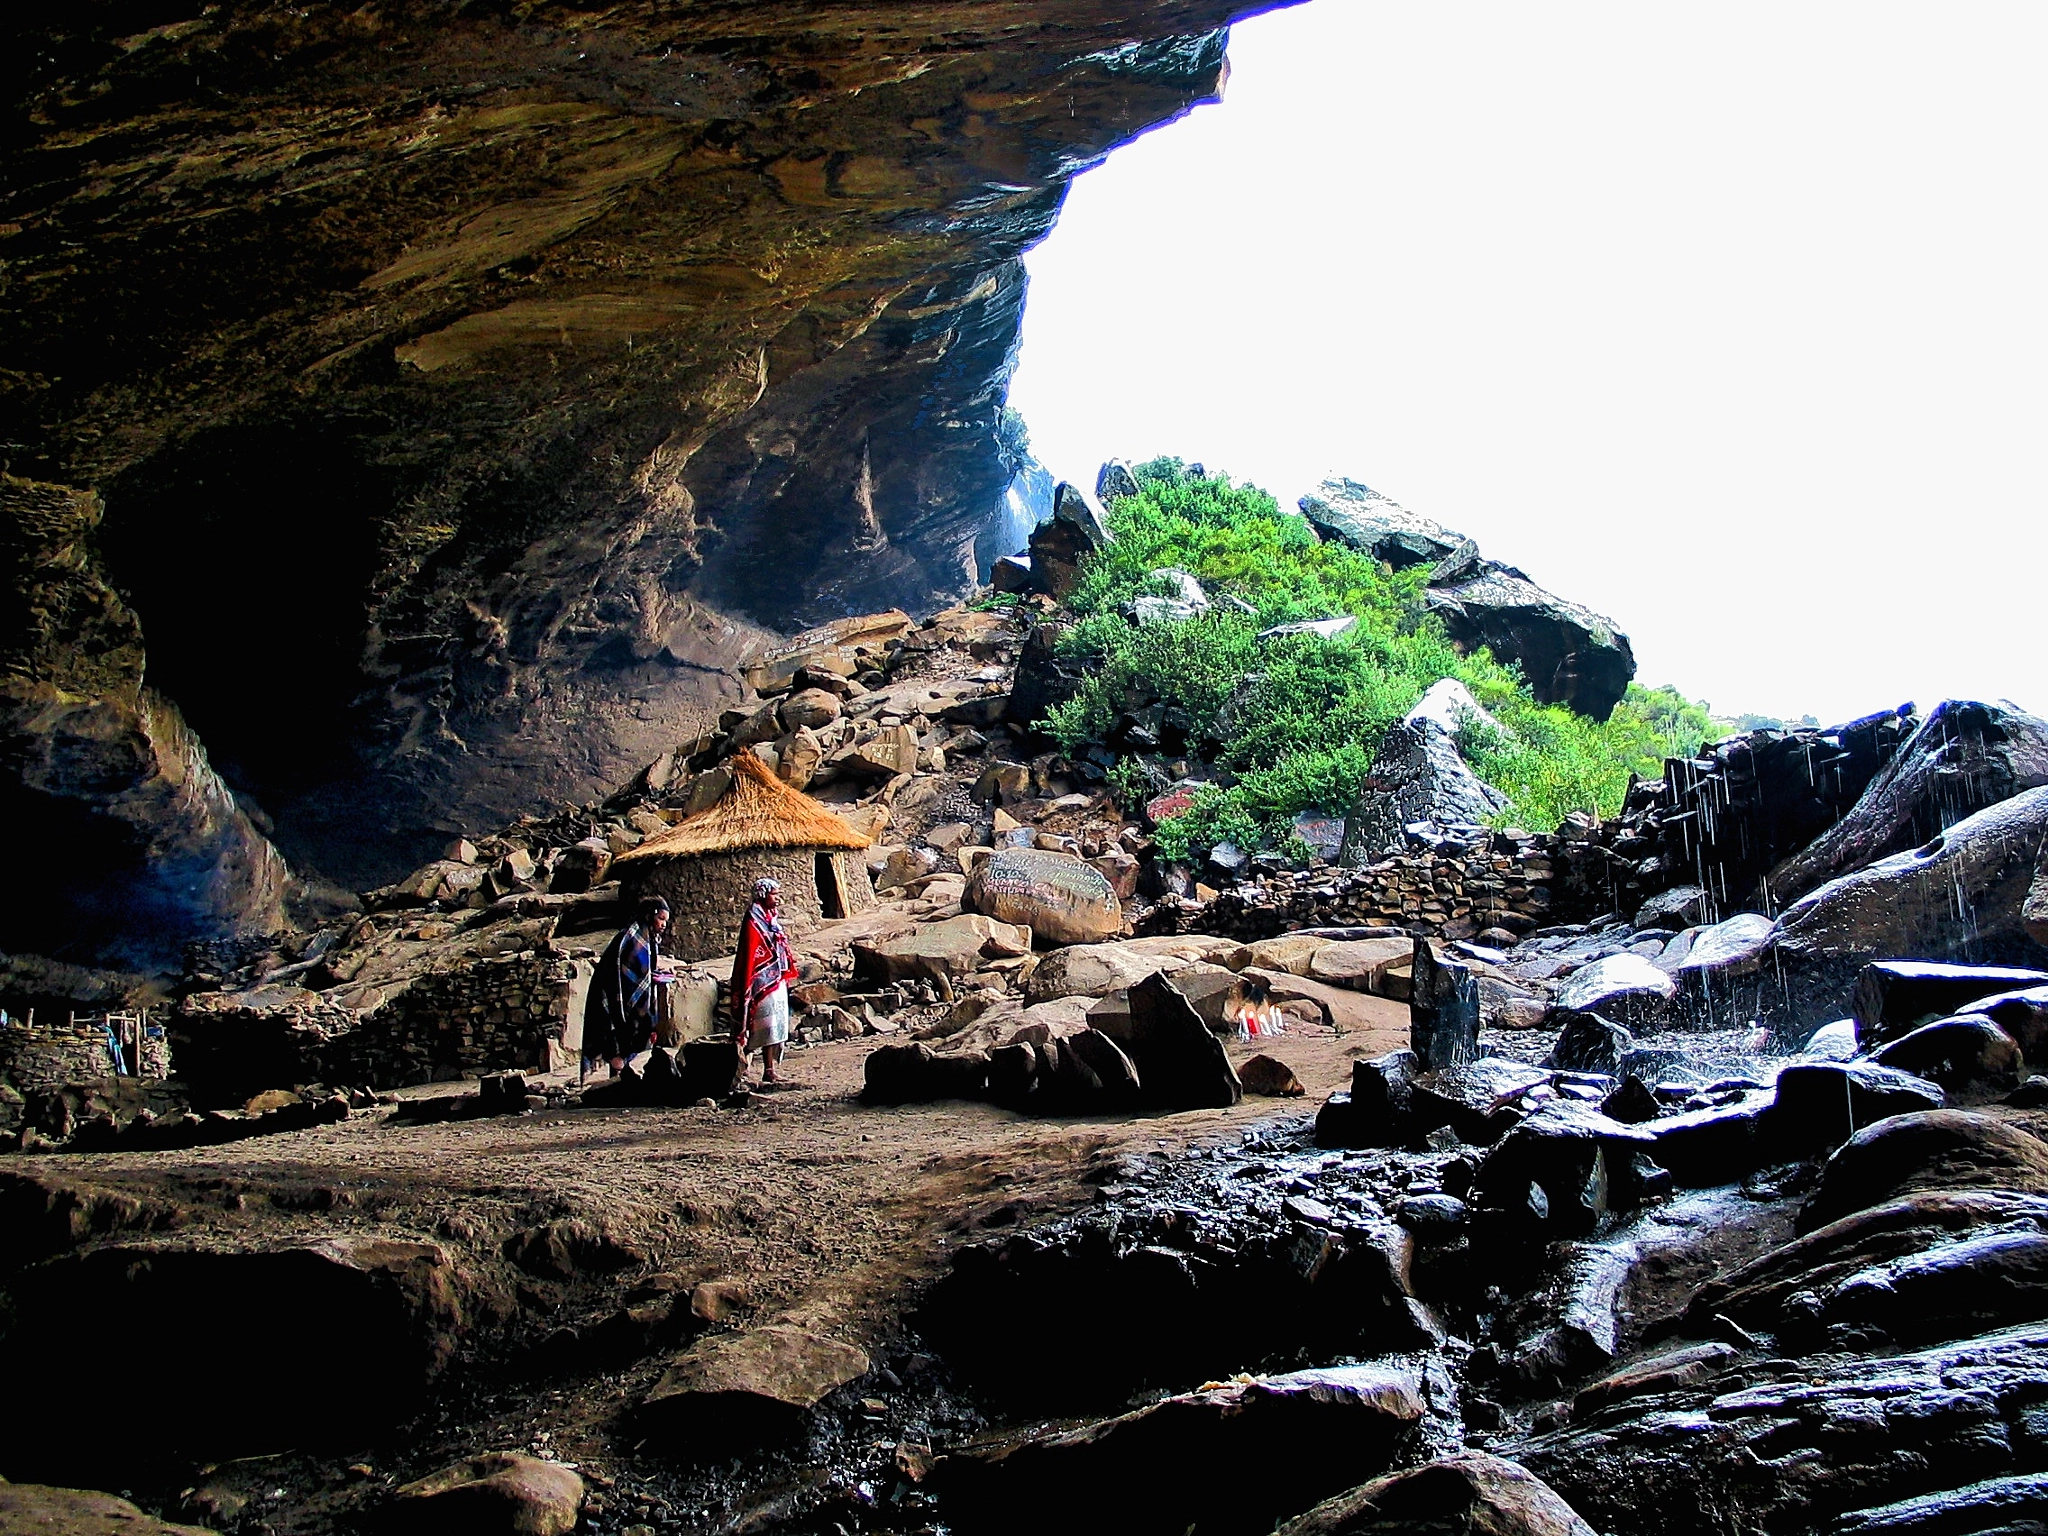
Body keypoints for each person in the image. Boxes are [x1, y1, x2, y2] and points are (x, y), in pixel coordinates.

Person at [583, 897, 669, 1080]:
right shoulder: (632, 938)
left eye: (666, 921)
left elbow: (643, 972)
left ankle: (618, 1079)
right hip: (614, 995)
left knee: (631, 1036)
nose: (663, 924)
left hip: (623, 996)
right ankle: (616, 1080)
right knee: (618, 1036)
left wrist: (653, 976)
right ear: (649, 916)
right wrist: (648, 977)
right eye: (661, 919)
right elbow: (627, 973)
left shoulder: (649, 940)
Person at [730, 877, 799, 1087]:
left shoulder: (770, 918)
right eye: (774, 894)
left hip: (774, 979)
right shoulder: (754, 919)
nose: (778, 899)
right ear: (762, 894)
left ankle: (769, 1069)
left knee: (775, 1024)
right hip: (760, 980)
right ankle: (741, 1067)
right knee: (761, 1023)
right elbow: (753, 951)